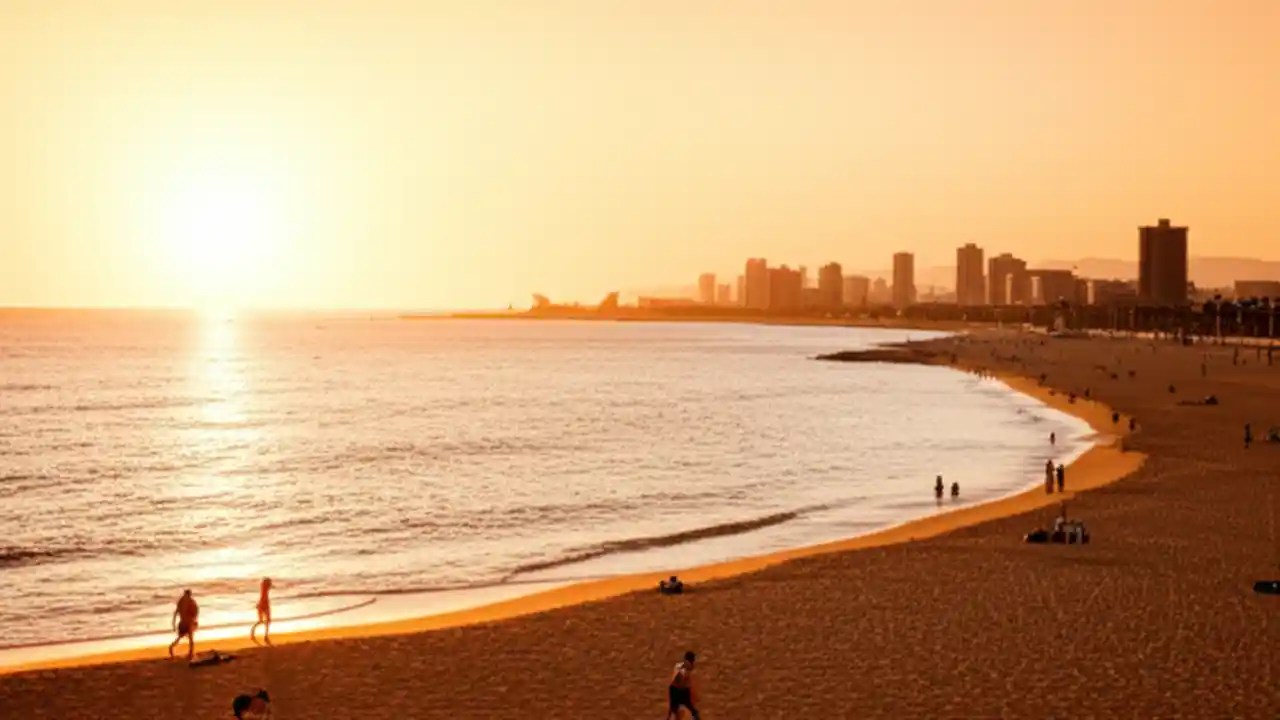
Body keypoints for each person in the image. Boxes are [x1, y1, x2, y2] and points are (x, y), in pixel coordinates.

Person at [666, 651, 700, 720]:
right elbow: (675, 679)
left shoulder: (687, 668)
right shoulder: (680, 668)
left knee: (692, 711)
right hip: (676, 690)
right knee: (674, 712)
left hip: (682, 690)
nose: (692, 663)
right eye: (691, 661)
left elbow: (687, 683)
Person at [169, 589, 199, 661]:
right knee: (182, 637)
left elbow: (195, 613)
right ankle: (172, 647)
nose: (187, 596)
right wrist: (173, 622)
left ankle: (190, 653)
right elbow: (176, 612)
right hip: (185, 623)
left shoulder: (188, 602)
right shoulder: (183, 602)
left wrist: (194, 621)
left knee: (190, 638)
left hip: (188, 623)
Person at [251, 577, 273, 645]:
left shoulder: (264, 588)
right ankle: (255, 634)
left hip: (263, 604)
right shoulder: (265, 587)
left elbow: (263, 596)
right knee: (264, 621)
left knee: (266, 621)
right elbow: (263, 597)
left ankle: (264, 636)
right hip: (263, 605)